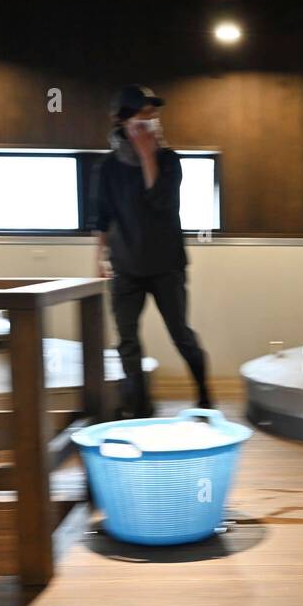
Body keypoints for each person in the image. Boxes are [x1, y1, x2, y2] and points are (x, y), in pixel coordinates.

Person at [89, 84, 212, 418]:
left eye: (155, 114)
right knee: (127, 339)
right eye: (145, 114)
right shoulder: (109, 167)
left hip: (166, 264)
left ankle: (204, 396)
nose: (153, 121)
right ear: (124, 121)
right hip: (125, 265)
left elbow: (162, 203)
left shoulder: (170, 161)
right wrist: (98, 256)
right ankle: (139, 408)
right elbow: (103, 215)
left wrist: (147, 157)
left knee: (180, 334)